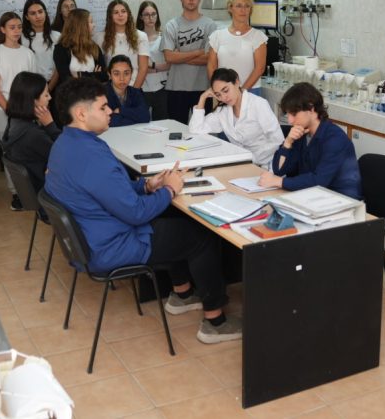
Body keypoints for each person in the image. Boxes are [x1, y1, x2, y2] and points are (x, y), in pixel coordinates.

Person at [45, 77, 243, 344]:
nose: (110, 112)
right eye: (103, 108)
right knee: (201, 236)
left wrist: (147, 186)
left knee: (172, 216)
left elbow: (110, 190)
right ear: (81, 114)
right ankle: (215, 322)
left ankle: (182, 295)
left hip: (93, 238)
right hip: (112, 245)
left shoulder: (66, 145)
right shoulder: (91, 155)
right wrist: (170, 190)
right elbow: (136, 214)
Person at [259, 82, 362, 199]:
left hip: (341, 201)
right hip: (312, 197)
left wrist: (279, 182)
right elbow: (279, 170)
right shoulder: (301, 133)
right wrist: (287, 142)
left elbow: (319, 180)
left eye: (293, 114)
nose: (290, 121)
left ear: (311, 109)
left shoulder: (335, 139)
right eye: (288, 115)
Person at [0, 12, 37, 211]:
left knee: (26, 151)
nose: (16, 31)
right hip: (3, 109)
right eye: (12, 27)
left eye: (19, 27)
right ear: (3, 29)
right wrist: (10, 109)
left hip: (26, 111)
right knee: (11, 152)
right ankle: (16, 192)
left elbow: (34, 85)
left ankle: (29, 190)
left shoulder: (28, 54)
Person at [189, 68, 283, 167]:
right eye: (218, 95)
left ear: (237, 82)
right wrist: (202, 98)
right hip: (242, 164)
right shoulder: (222, 111)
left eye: (226, 90)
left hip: (267, 165)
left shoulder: (258, 104)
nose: (224, 97)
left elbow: (278, 141)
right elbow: (196, 129)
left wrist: (252, 158)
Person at [161, 0, 216, 123]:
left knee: (204, 131)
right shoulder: (172, 25)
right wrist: (198, 52)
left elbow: (210, 58)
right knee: (177, 130)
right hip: (176, 87)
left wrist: (179, 56)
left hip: (203, 88)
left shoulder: (210, 24)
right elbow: (168, 57)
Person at [1, 71, 60, 192]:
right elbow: (67, 155)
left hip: (36, 187)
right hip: (49, 190)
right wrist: (50, 125)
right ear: (33, 100)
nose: (50, 97)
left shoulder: (14, 122)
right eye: (46, 94)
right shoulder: (32, 134)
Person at [207, 0, 267, 93]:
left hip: (251, 91)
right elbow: (211, 66)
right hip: (223, 92)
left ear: (250, 10)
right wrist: (219, 90)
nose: (243, 10)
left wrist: (241, 91)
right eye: (238, 6)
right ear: (230, 8)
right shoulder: (217, 36)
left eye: (247, 6)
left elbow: (259, 68)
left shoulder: (258, 36)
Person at [49, 8, 106, 91]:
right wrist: (94, 76)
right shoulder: (61, 49)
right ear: (80, 25)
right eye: (90, 22)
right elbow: (66, 79)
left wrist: (79, 75)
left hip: (92, 96)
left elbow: (104, 76)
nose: (94, 25)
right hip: (70, 98)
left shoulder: (95, 47)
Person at [100, 0, 148, 89]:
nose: (120, 15)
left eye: (123, 11)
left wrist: (134, 92)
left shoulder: (141, 36)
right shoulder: (101, 37)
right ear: (110, 16)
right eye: (116, 12)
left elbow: (143, 68)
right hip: (110, 90)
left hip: (133, 87)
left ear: (128, 14)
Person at [137, 0, 170, 120]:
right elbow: (136, 66)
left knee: (162, 123)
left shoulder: (164, 37)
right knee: (140, 123)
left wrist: (151, 66)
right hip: (142, 87)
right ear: (141, 17)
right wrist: (146, 67)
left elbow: (170, 64)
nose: (150, 18)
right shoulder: (136, 38)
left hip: (161, 87)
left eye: (153, 14)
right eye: (146, 14)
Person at [104, 55, 150, 127]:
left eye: (126, 73)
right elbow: (109, 121)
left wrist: (121, 110)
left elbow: (145, 116)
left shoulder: (136, 92)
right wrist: (134, 118)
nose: (122, 78)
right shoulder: (101, 93)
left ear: (131, 74)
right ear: (109, 74)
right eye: (116, 73)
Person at [22, 0, 59, 83]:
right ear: (27, 17)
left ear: (45, 13)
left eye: (40, 12)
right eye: (33, 13)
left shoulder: (57, 36)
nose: (38, 16)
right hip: (29, 86)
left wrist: (49, 88)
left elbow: (59, 65)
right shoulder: (21, 37)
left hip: (54, 83)